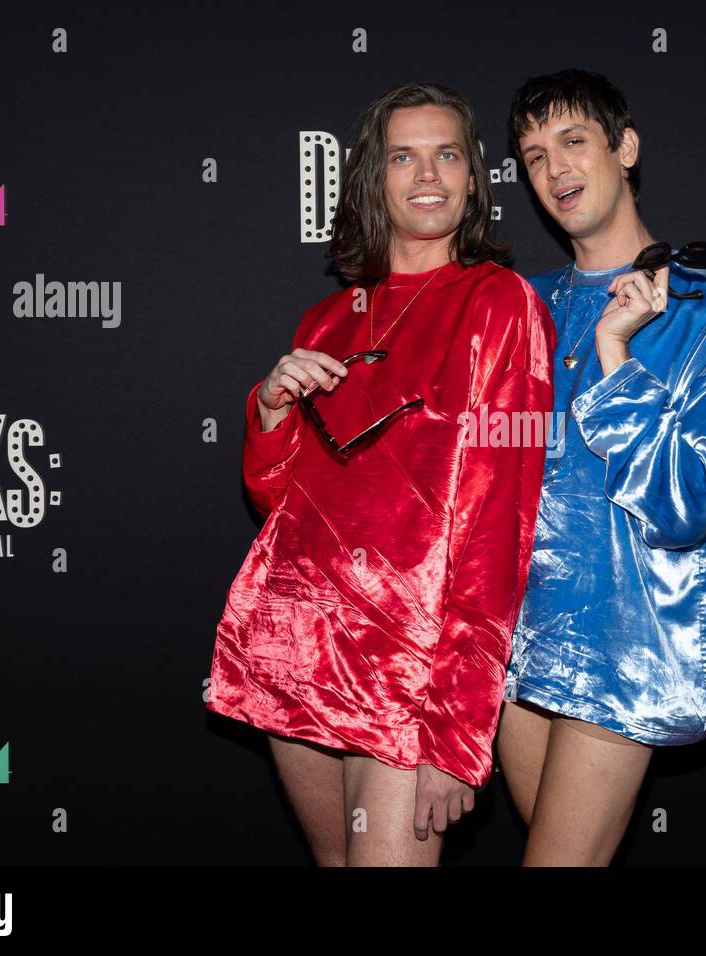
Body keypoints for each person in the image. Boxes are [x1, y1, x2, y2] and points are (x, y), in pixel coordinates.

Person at [206, 81, 555, 866]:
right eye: (404, 156)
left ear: (473, 180)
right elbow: (274, 500)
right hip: (295, 638)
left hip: (407, 664)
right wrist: (268, 411)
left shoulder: (502, 305)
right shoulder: (327, 319)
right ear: (375, 177)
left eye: (447, 156)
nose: (426, 175)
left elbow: (502, 523)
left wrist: (457, 724)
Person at [498, 68, 706, 865]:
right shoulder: (520, 307)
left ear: (625, 148)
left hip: (623, 645)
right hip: (514, 643)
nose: (556, 170)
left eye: (574, 142)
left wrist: (615, 356)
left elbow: (687, 501)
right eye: (535, 155)